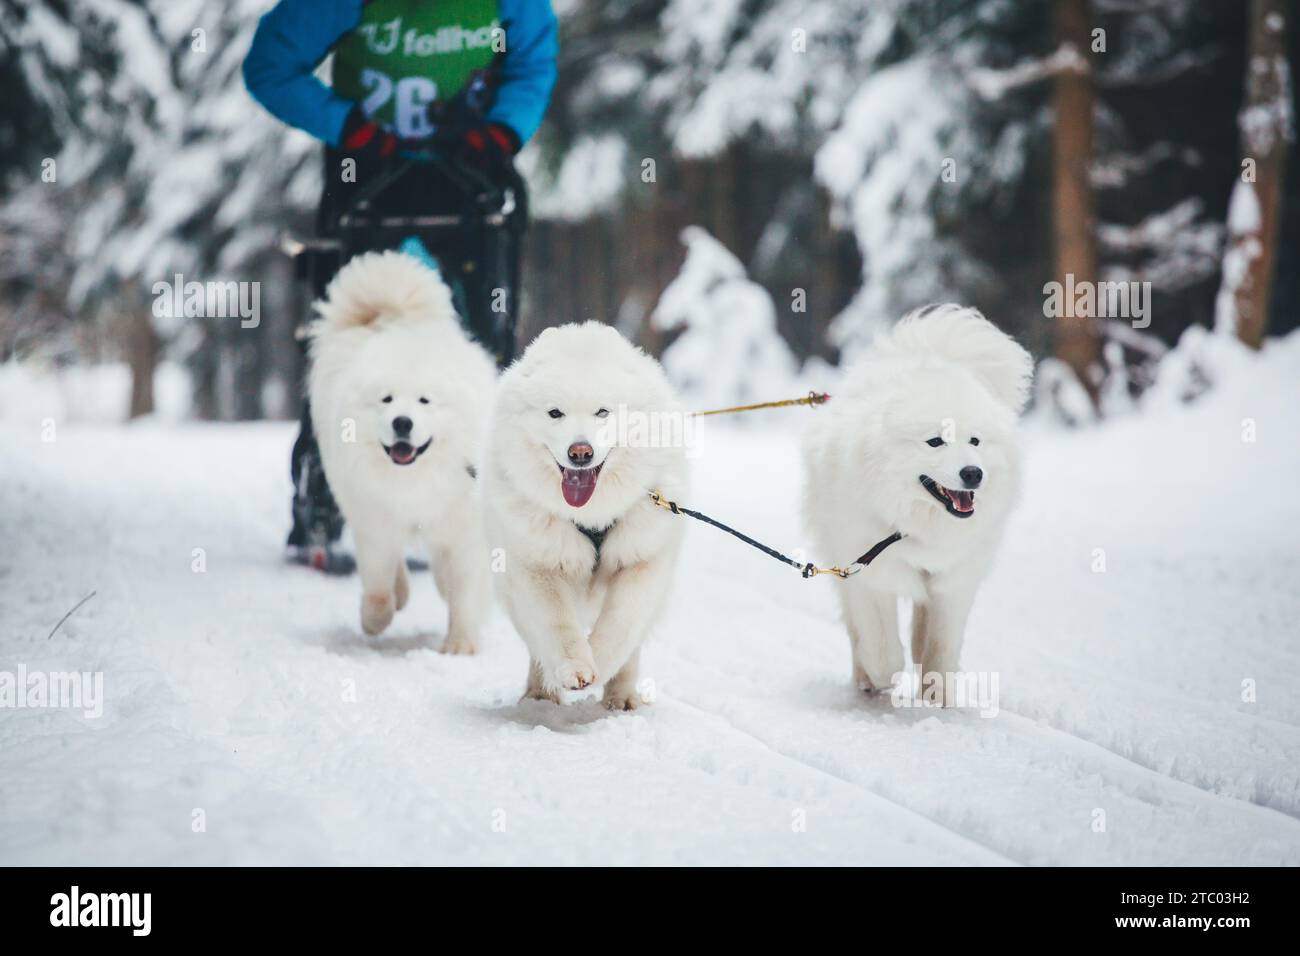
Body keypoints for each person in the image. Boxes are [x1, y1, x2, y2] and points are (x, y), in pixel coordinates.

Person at [243, 0, 558, 572]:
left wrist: (504, 128)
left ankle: (478, 501)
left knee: (482, 344)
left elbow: (532, 59)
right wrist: (348, 124)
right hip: (368, 177)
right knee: (350, 340)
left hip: (472, 176)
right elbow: (268, 66)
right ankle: (327, 491)